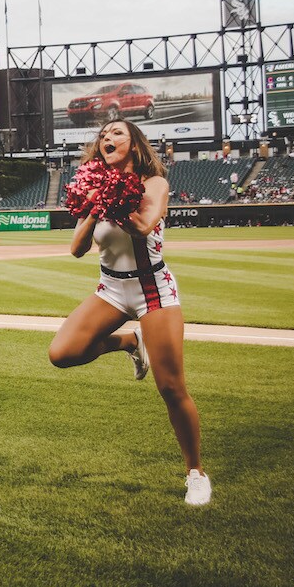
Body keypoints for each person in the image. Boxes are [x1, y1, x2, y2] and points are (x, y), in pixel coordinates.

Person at [48, 120, 211, 505]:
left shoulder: (154, 183)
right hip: (111, 288)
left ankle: (196, 473)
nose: (108, 138)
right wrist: (90, 207)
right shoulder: (95, 184)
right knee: (62, 353)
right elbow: (76, 249)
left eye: (117, 133)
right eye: (104, 135)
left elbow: (142, 225)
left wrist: (106, 197)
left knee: (171, 387)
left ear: (134, 143)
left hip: (152, 286)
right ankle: (129, 341)